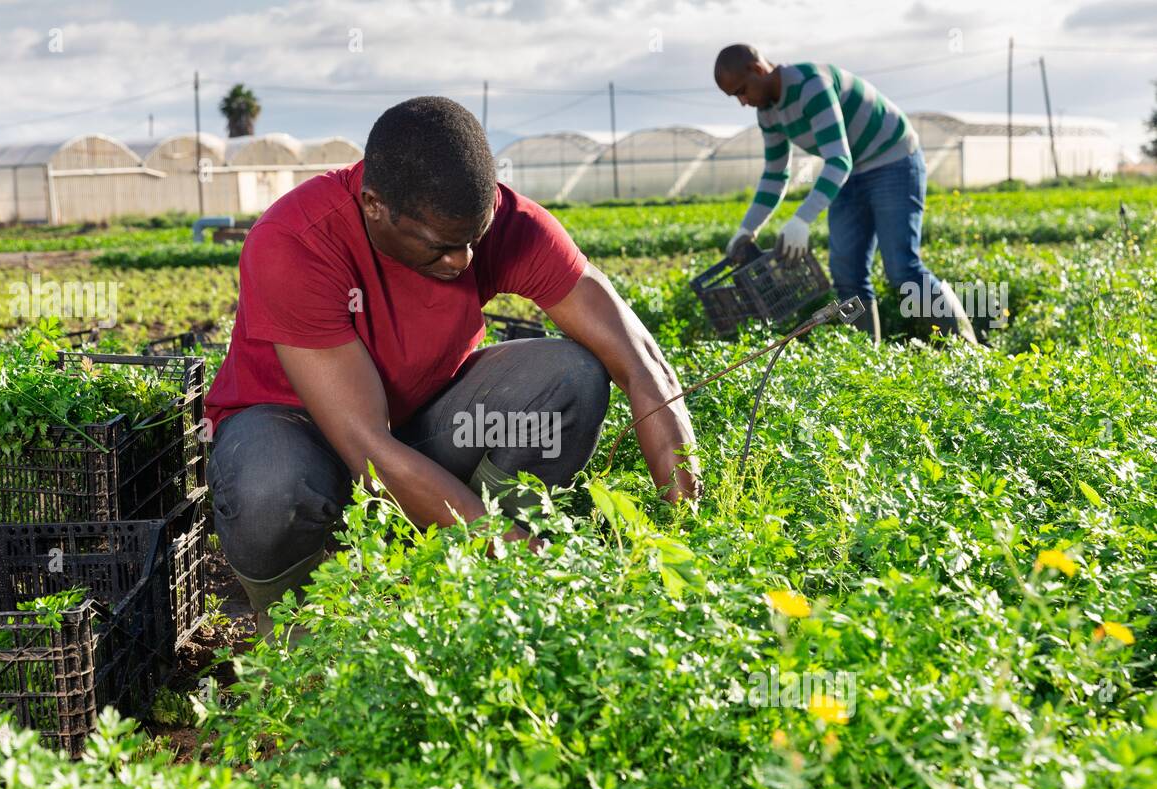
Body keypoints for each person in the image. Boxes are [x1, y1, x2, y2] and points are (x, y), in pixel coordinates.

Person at [204, 96, 701, 635]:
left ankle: (464, 579)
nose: (462, 261)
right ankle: (293, 623)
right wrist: (512, 551)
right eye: (441, 246)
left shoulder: (508, 224)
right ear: (374, 205)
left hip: (418, 422)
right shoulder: (296, 241)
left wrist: (683, 529)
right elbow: (367, 451)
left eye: (474, 238)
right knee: (271, 487)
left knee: (570, 376)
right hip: (293, 430)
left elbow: (642, 363)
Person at [713, 44, 977, 344]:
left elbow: (838, 160)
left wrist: (802, 220)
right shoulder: (768, 114)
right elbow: (775, 175)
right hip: (850, 174)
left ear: (758, 70)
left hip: (892, 160)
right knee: (847, 274)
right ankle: (866, 356)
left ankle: (966, 346)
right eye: (735, 96)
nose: (743, 102)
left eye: (741, 91)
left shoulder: (810, 85)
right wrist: (747, 229)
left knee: (902, 270)